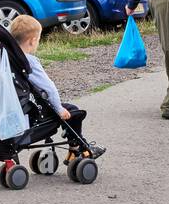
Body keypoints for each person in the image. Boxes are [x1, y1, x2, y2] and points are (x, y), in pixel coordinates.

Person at [8, 15, 104, 158]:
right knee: (73, 111)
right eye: (38, 40)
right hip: (34, 112)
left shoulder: (7, 58)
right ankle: (77, 147)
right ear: (32, 41)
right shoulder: (29, 62)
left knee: (67, 110)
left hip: (13, 109)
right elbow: (48, 88)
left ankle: (74, 146)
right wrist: (59, 108)